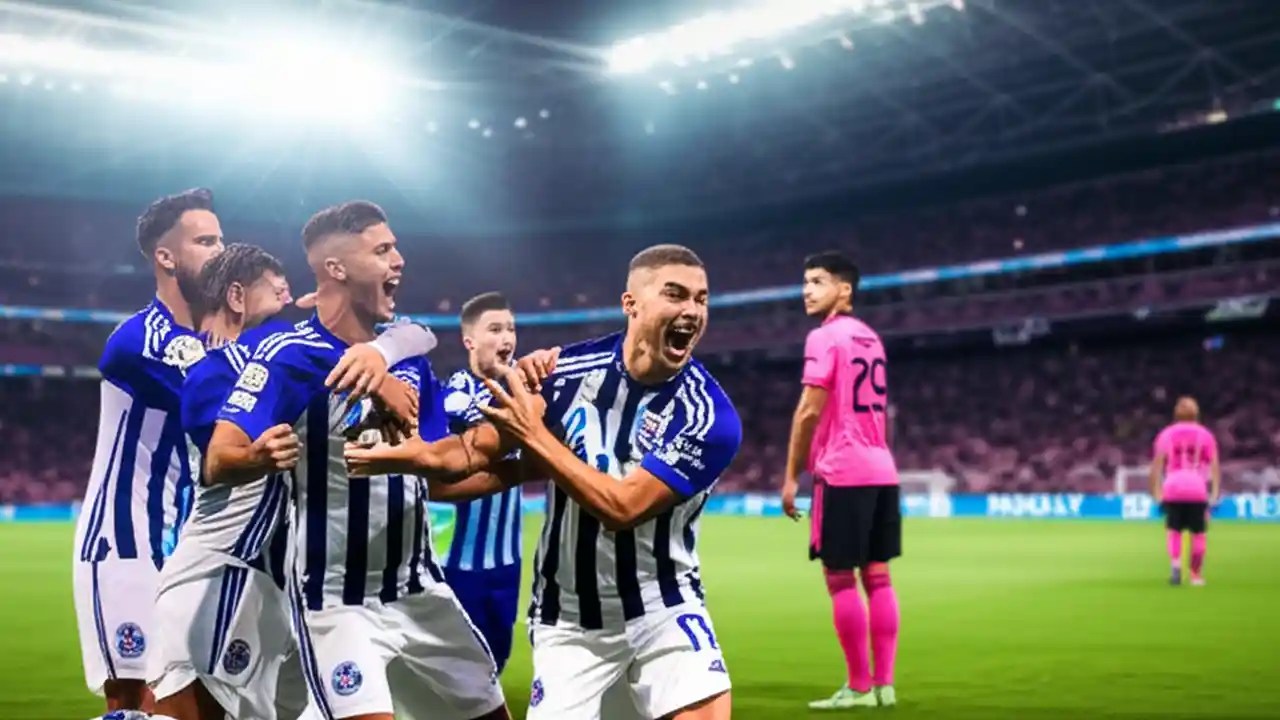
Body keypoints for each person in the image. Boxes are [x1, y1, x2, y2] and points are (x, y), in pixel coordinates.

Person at [346, 244, 743, 720]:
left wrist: (534, 435)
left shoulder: (709, 416)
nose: (692, 311)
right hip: (569, 622)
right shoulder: (566, 376)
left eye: (701, 299)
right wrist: (417, 458)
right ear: (631, 303)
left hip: (665, 608)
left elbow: (623, 508)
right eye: (675, 295)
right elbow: (475, 453)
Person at [206, 201, 509, 720]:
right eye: (383, 250)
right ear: (336, 269)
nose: (400, 260)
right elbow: (218, 459)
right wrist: (258, 455)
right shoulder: (287, 356)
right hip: (336, 600)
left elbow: (435, 468)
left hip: (422, 592)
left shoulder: (409, 355)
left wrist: (529, 467)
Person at [149, 243, 434, 720]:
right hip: (223, 573)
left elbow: (418, 334)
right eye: (278, 291)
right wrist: (256, 454)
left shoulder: (294, 357)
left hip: (282, 589)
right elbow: (217, 463)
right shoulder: (217, 371)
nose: (292, 299)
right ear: (237, 298)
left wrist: (377, 354)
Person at [72, 188, 225, 713]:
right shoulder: (139, 339)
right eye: (205, 241)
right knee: (138, 704)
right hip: (126, 543)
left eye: (221, 239)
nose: (221, 252)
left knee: (204, 701)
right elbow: (221, 413)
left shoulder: (214, 343)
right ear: (166, 257)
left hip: (186, 542)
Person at [781, 250, 900, 710]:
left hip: (843, 471)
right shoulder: (871, 338)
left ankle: (858, 687)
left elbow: (809, 410)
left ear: (843, 289)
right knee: (880, 577)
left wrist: (792, 476)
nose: (806, 289)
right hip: (881, 468)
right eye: (805, 281)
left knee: (840, 579)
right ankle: (885, 686)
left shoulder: (825, 337)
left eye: (816, 281)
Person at [440, 292, 523, 674]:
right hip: (460, 565)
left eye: (510, 328)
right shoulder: (456, 395)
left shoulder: (526, 389)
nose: (506, 337)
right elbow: (487, 437)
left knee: (496, 664)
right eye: (495, 329)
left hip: (508, 562)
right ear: (469, 341)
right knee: (460, 673)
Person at [1150, 396, 1220, 587]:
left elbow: (1156, 467)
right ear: (1196, 412)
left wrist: (1156, 494)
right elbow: (1214, 467)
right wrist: (1213, 495)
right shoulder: (1206, 435)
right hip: (1197, 488)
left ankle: (1175, 568)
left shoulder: (1166, 434)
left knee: (1174, 531)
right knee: (1198, 533)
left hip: (1173, 486)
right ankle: (1196, 574)